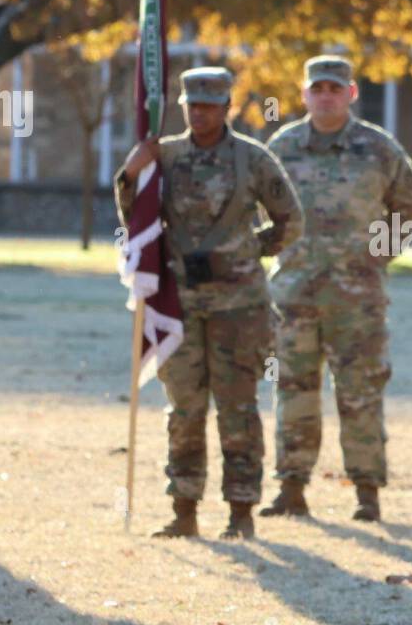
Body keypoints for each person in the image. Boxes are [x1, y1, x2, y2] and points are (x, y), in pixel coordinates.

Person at [116, 67, 303, 539]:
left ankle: (241, 510)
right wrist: (131, 172)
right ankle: (183, 509)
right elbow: (135, 216)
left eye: (209, 104)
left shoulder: (252, 159)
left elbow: (290, 219)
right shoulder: (167, 155)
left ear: (227, 107)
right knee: (184, 409)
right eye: (191, 104)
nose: (199, 112)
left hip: (239, 307)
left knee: (237, 408)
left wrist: (250, 252)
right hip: (178, 304)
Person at [262, 56, 412, 521]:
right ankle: (291, 487)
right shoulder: (281, 148)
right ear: (305, 94)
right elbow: (262, 208)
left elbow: (409, 209)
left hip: (358, 299)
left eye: (335, 88)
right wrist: (283, 252)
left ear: (351, 93)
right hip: (294, 297)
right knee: (293, 390)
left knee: (361, 392)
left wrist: (376, 257)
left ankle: (367, 493)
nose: (326, 95)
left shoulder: (379, 149)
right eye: (318, 88)